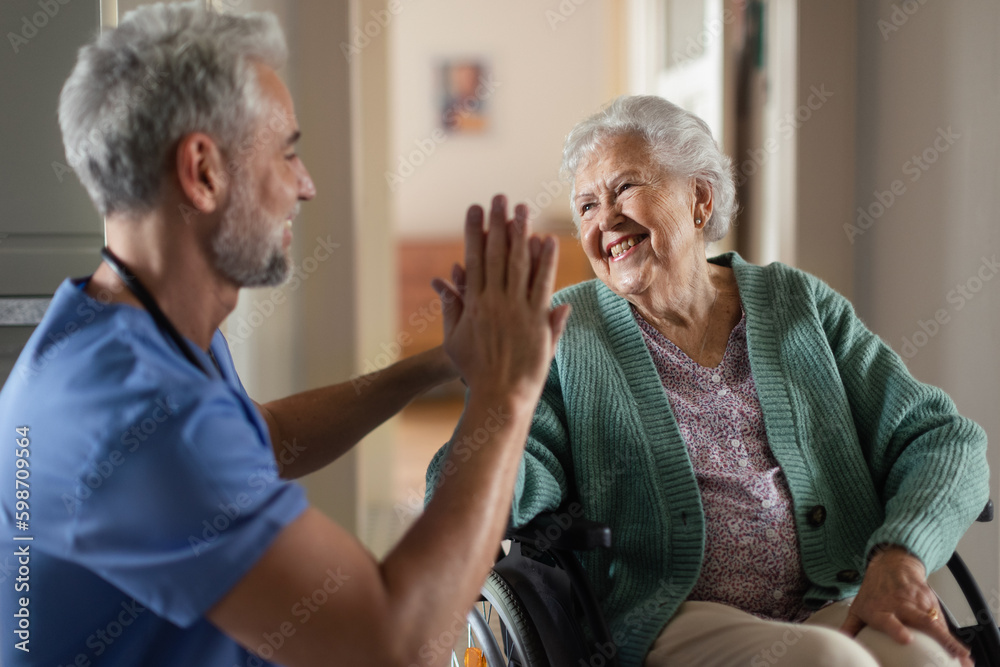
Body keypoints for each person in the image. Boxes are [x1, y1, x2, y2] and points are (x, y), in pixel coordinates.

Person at [0, 4, 569, 666]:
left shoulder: (132, 325)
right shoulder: (138, 410)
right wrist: (506, 395)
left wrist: (441, 363)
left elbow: (256, 437)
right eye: (288, 152)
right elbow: (390, 642)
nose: (306, 185)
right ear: (203, 172)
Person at [427, 95, 989, 667]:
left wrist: (899, 557)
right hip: (670, 617)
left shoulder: (797, 304)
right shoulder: (565, 335)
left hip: (830, 596)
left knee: (922, 658)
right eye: (587, 206)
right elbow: (485, 499)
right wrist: (497, 395)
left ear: (700, 198)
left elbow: (944, 438)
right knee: (828, 662)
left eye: (624, 189)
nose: (605, 221)